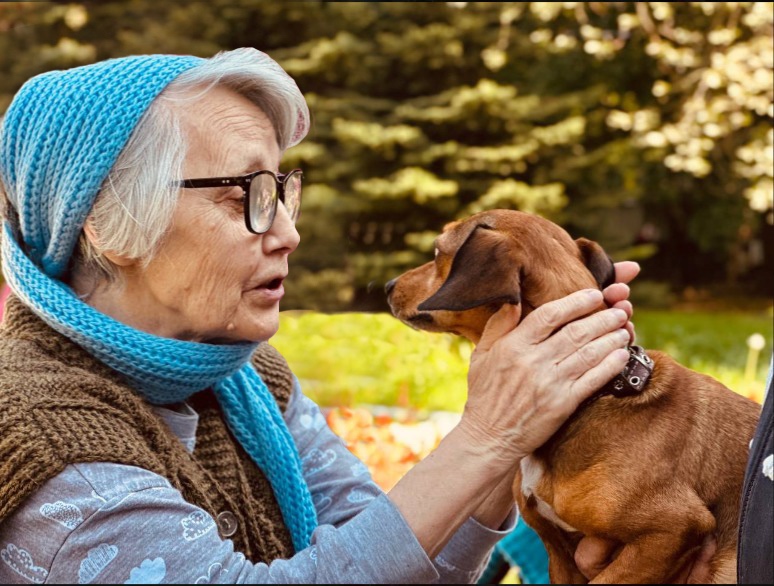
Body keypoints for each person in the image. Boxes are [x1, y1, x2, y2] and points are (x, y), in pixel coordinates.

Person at [0, 48, 638, 584]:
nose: (286, 233)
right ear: (108, 226)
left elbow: (404, 562)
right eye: (242, 194)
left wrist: (538, 396)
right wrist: (488, 437)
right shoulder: (44, 441)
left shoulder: (250, 382)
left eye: (281, 189)